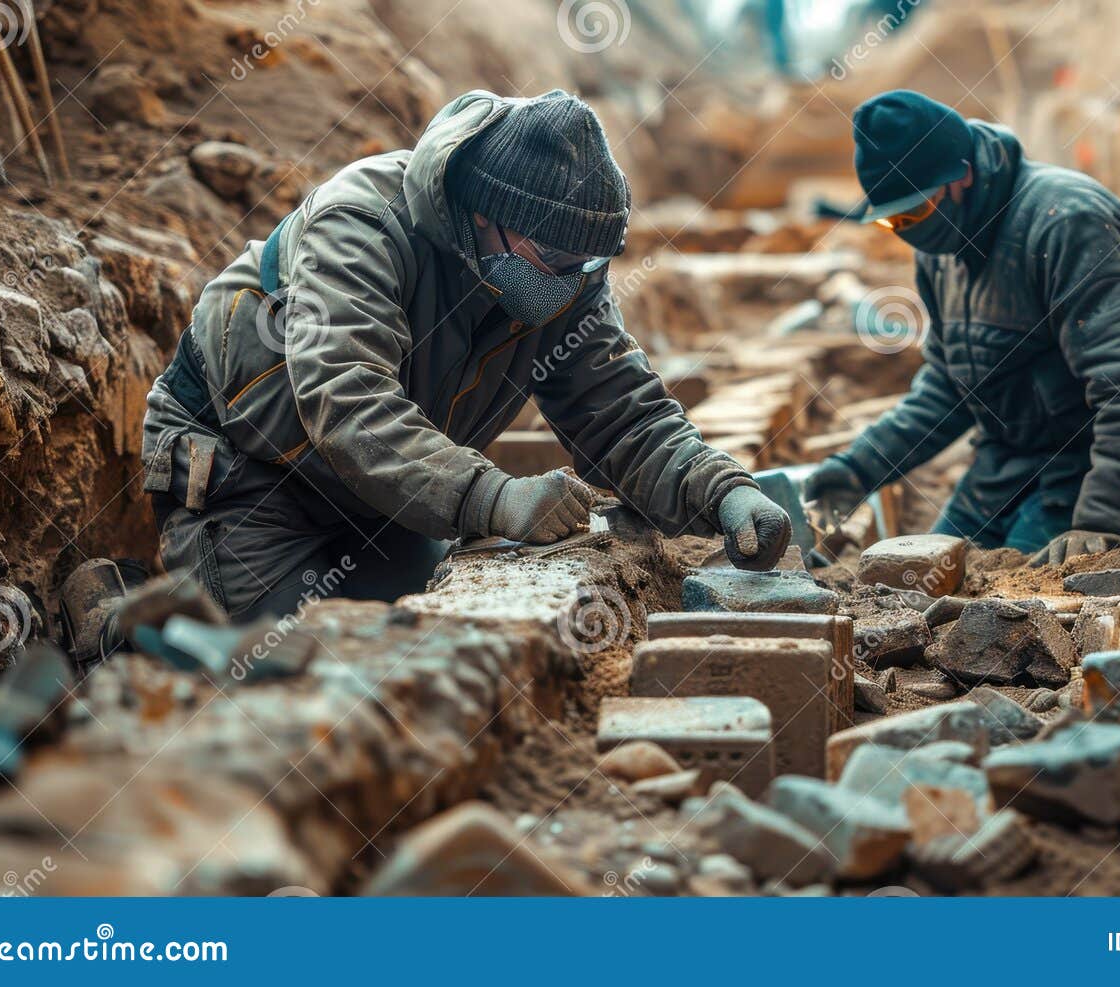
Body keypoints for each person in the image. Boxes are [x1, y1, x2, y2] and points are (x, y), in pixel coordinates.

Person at [60, 90, 790, 666]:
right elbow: (348, 405)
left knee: (405, 650)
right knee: (270, 679)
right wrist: (491, 497)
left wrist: (721, 489)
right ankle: (114, 621)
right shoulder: (363, 226)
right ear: (486, 218)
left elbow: (620, 410)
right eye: (559, 264)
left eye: (590, 268)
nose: (575, 286)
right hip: (250, 472)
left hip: (380, 489)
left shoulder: (559, 270)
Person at [804, 90, 1120, 566]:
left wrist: (1100, 523)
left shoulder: (1066, 223)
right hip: (1004, 459)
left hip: (1085, 461)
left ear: (962, 175)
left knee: (1009, 607)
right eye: (892, 223)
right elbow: (949, 385)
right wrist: (858, 468)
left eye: (916, 213)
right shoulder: (941, 251)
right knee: (920, 584)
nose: (908, 232)